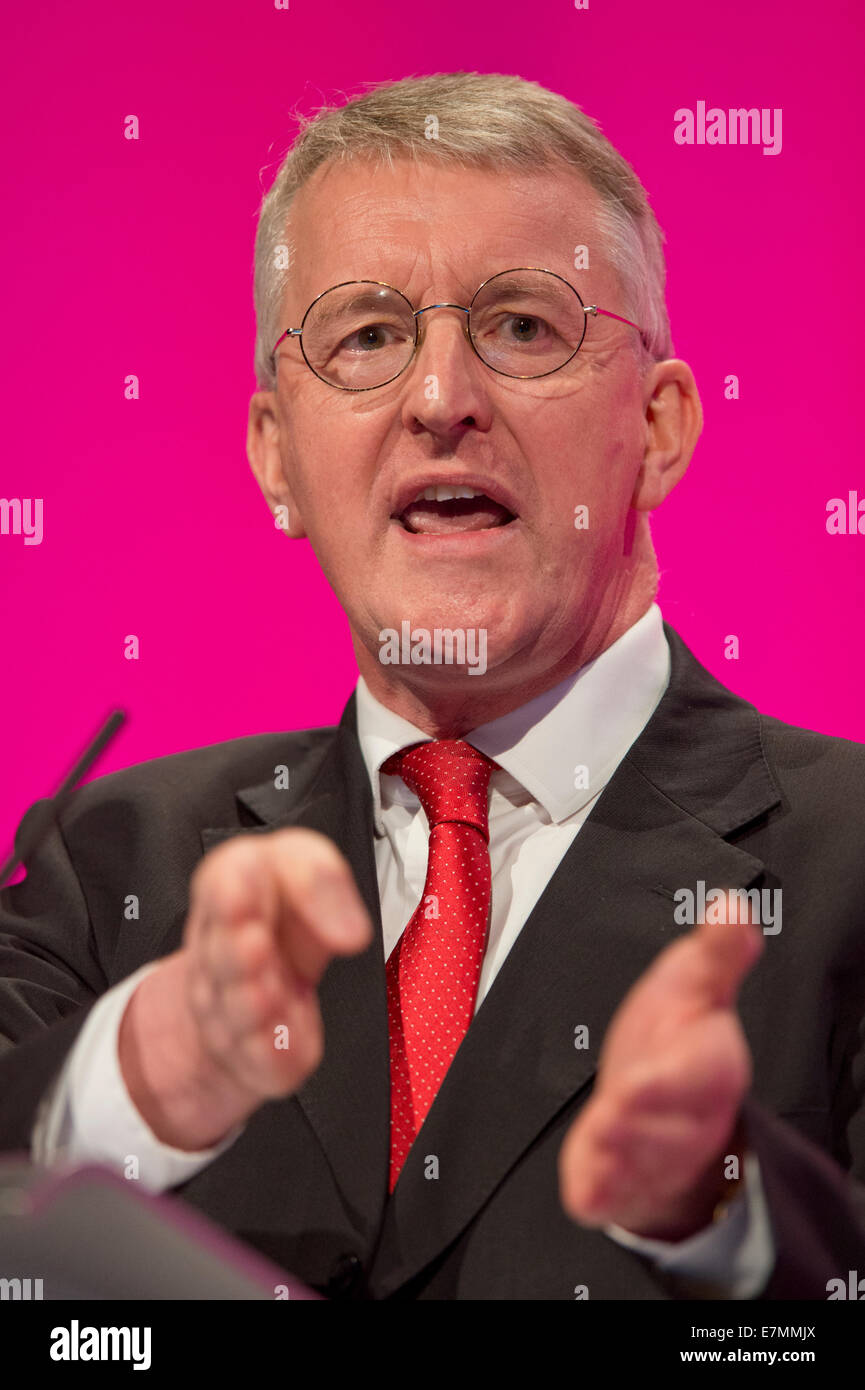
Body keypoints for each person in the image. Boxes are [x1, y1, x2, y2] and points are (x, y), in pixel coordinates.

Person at [2, 71, 864, 1301]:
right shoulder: (109, 870)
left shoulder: (849, 864)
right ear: (275, 456)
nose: (441, 398)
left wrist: (724, 1211)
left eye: (524, 326)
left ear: (659, 427)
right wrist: (143, 1080)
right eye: (367, 335)